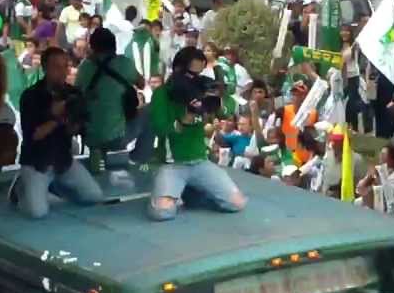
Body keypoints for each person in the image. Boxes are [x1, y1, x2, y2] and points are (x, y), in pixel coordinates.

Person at [146, 47, 246, 221]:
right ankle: (172, 191)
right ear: (178, 70)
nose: (196, 78)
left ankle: (191, 192)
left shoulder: (200, 88)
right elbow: (160, 129)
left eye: (200, 74)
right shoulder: (162, 94)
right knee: (163, 212)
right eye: (192, 74)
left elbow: (224, 114)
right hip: (173, 163)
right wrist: (186, 117)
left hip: (200, 161)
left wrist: (216, 97)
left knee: (236, 203)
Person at [13, 47, 104, 219]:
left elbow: (77, 129)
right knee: (37, 212)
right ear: (45, 68)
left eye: (65, 66)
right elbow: (34, 136)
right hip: (37, 163)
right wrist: (56, 117)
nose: (62, 72)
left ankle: (51, 187)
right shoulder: (30, 96)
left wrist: (75, 120)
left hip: (62, 161)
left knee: (94, 196)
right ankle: (20, 189)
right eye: (56, 67)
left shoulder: (73, 94)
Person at [76, 28, 144, 171]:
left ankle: (96, 155)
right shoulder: (124, 63)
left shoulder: (85, 66)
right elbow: (141, 84)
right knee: (149, 112)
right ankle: (140, 159)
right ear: (114, 45)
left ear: (92, 47)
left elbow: (77, 91)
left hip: (90, 133)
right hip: (118, 133)